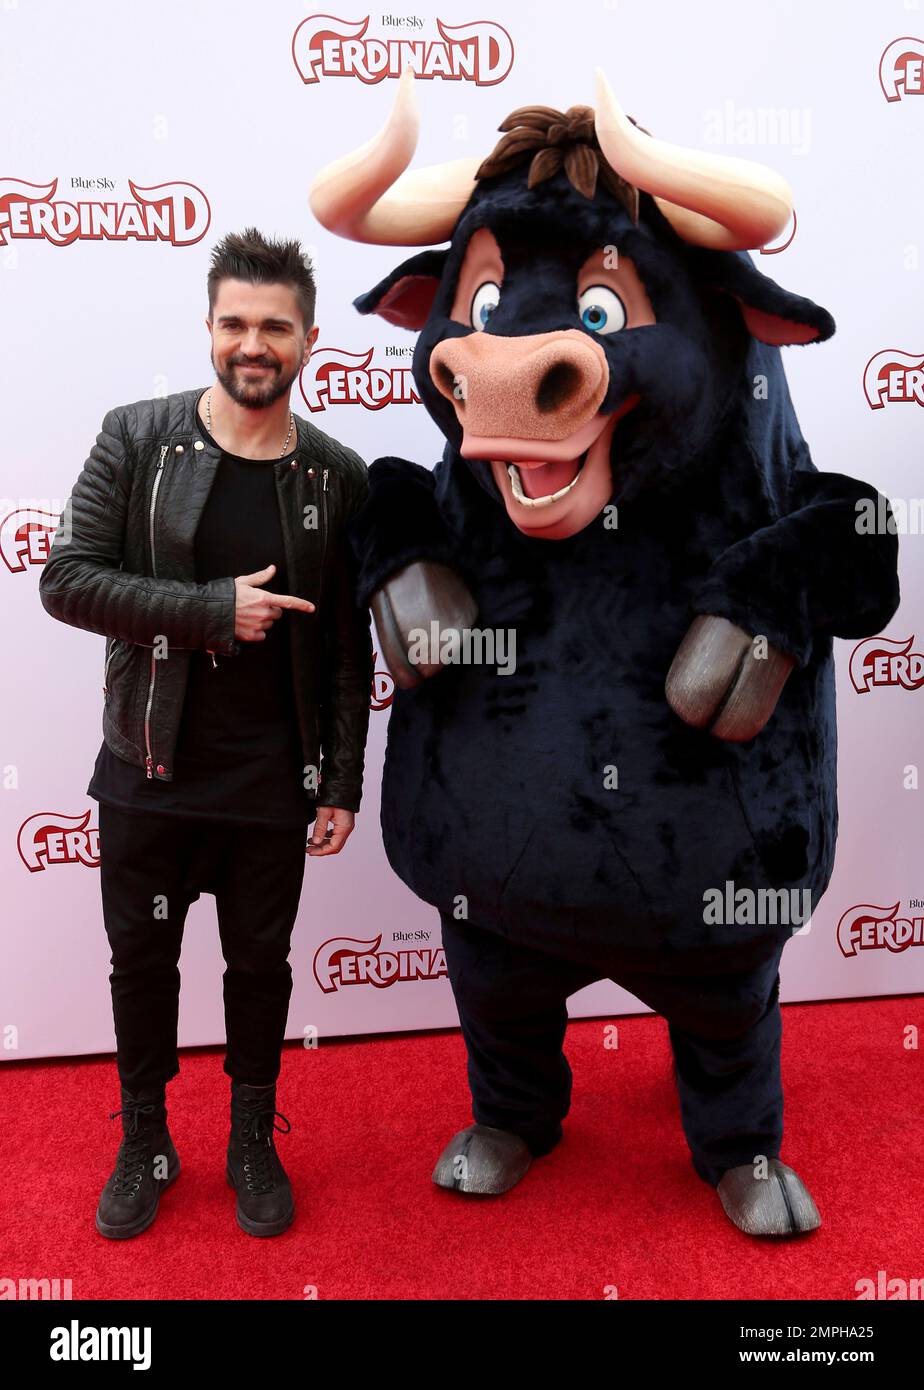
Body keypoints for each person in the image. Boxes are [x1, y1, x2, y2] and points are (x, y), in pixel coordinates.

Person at [39, 227, 373, 1240]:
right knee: (142, 967)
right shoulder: (137, 438)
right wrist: (208, 610)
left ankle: (248, 1139)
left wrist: (342, 781)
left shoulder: (336, 475)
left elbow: (349, 648)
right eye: (235, 322)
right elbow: (66, 579)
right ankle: (145, 1137)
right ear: (210, 328)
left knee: (259, 969)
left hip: (273, 782)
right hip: (150, 767)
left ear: (309, 339)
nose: (252, 342)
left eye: (274, 325)